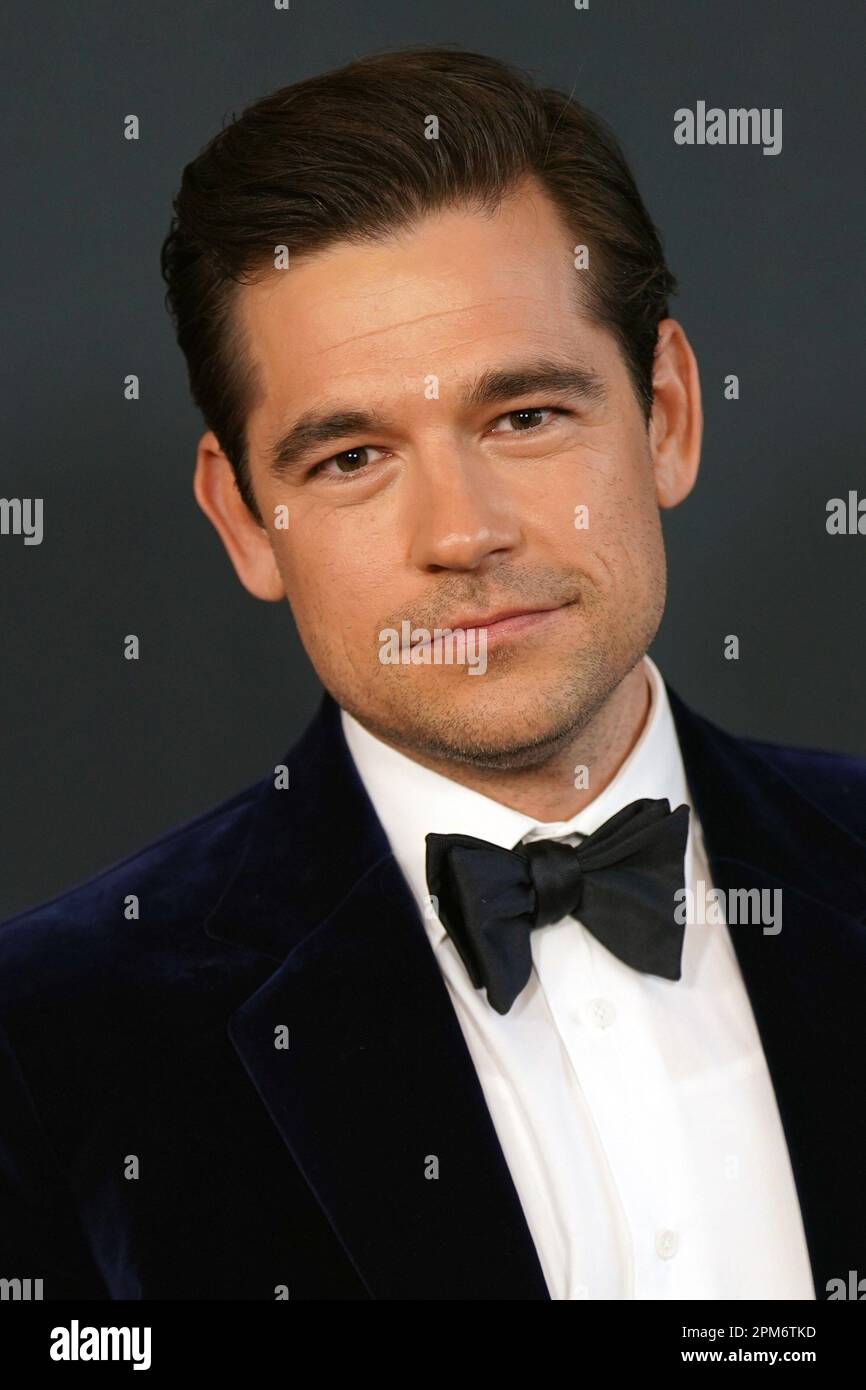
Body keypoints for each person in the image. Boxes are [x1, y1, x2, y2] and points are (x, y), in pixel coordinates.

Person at [1, 45, 863, 1302]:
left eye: (523, 416)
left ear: (667, 412)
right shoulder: (45, 1047)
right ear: (244, 521)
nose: (461, 533)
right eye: (349, 457)